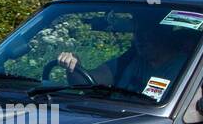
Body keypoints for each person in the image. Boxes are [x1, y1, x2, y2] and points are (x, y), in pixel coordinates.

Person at [56, 13, 195, 98]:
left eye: (146, 33)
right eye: (136, 33)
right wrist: (73, 66)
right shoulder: (130, 59)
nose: (139, 39)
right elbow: (88, 82)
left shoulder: (186, 68)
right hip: (114, 117)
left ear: (163, 34)